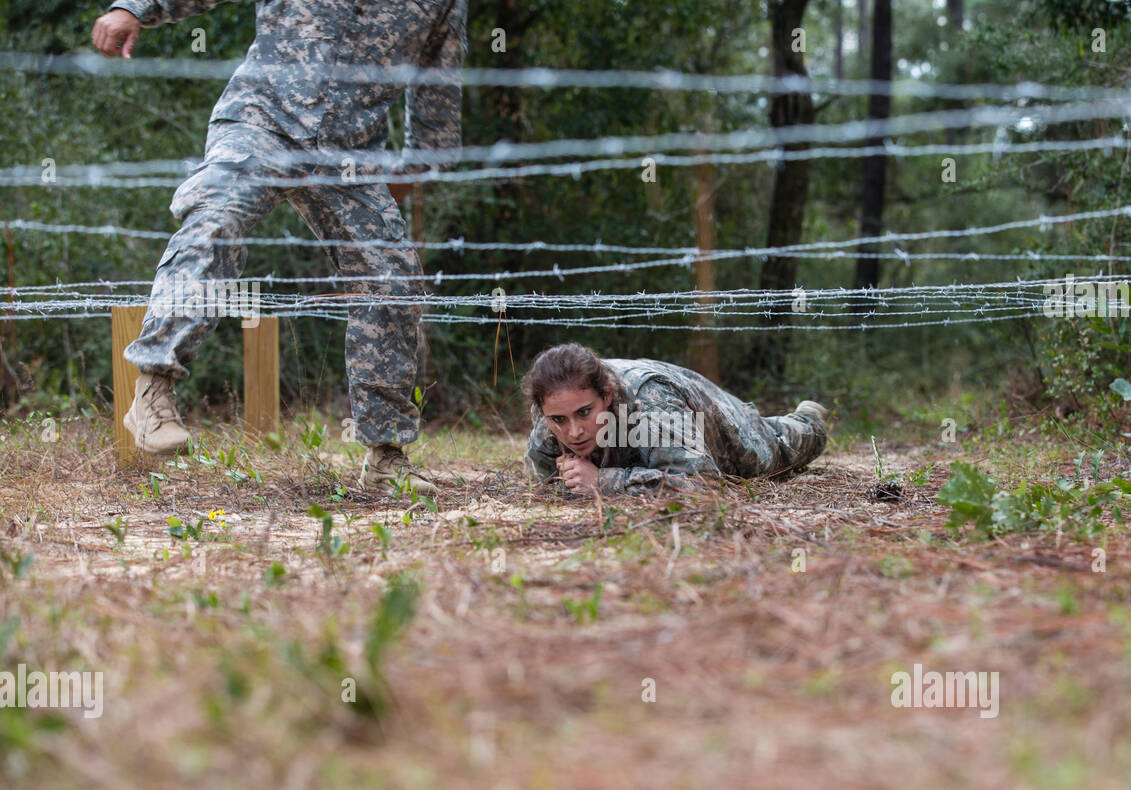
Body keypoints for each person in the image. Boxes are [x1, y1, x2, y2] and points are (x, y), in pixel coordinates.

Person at [91, 0, 466, 493]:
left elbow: (438, 92)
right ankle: (154, 391)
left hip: (349, 153)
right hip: (259, 122)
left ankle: (386, 458)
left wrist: (417, 166)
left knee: (393, 276)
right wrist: (136, 8)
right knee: (216, 219)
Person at [521, 343, 829, 497]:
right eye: (559, 419)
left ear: (608, 395)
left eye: (585, 413)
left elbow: (703, 484)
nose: (573, 431)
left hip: (723, 426)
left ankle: (807, 416)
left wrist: (604, 481)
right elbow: (547, 482)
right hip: (671, 424)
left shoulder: (652, 403)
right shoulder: (549, 421)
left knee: (778, 448)